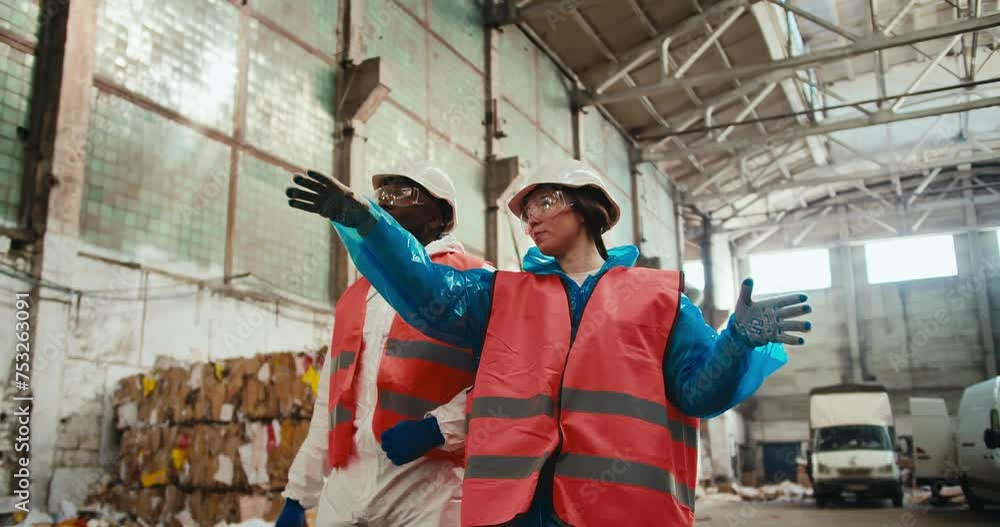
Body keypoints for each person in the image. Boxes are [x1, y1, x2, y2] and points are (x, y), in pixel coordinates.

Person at [285, 159, 813, 527]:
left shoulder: (658, 298)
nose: (532, 216)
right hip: (520, 509)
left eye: (545, 201)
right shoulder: (502, 294)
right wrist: (366, 222)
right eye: (526, 209)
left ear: (586, 208)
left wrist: (738, 341)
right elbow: (429, 293)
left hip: (621, 510)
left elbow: (698, 393)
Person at [277, 161, 490, 527]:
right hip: (347, 490)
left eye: (403, 193)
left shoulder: (476, 280)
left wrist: (439, 428)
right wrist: (299, 495)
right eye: (383, 194)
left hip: (428, 489)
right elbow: (331, 401)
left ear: (440, 215)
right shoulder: (357, 296)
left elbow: (503, 383)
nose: (388, 203)